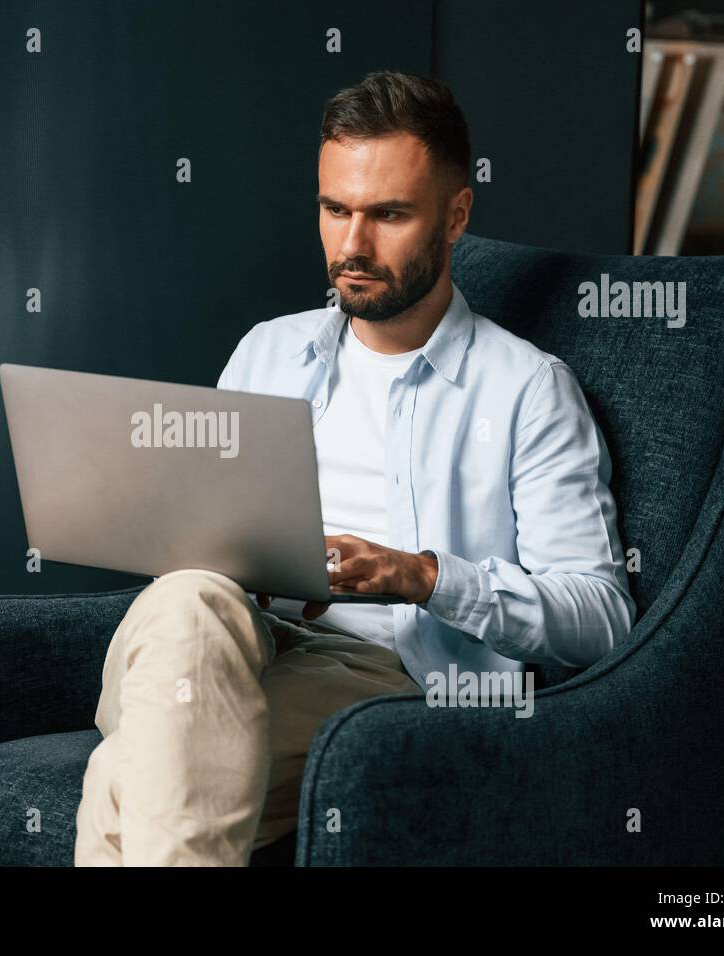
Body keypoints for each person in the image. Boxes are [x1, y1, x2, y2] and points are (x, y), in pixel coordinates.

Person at [74, 70, 635, 866]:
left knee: (128, 771)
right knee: (189, 597)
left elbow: (602, 618)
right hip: (220, 634)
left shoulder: (527, 391)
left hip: (387, 672)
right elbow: (197, 542)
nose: (352, 246)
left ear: (457, 215)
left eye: (389, 215)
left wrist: (422, 576)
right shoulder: (267, 350)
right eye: (335, 210)